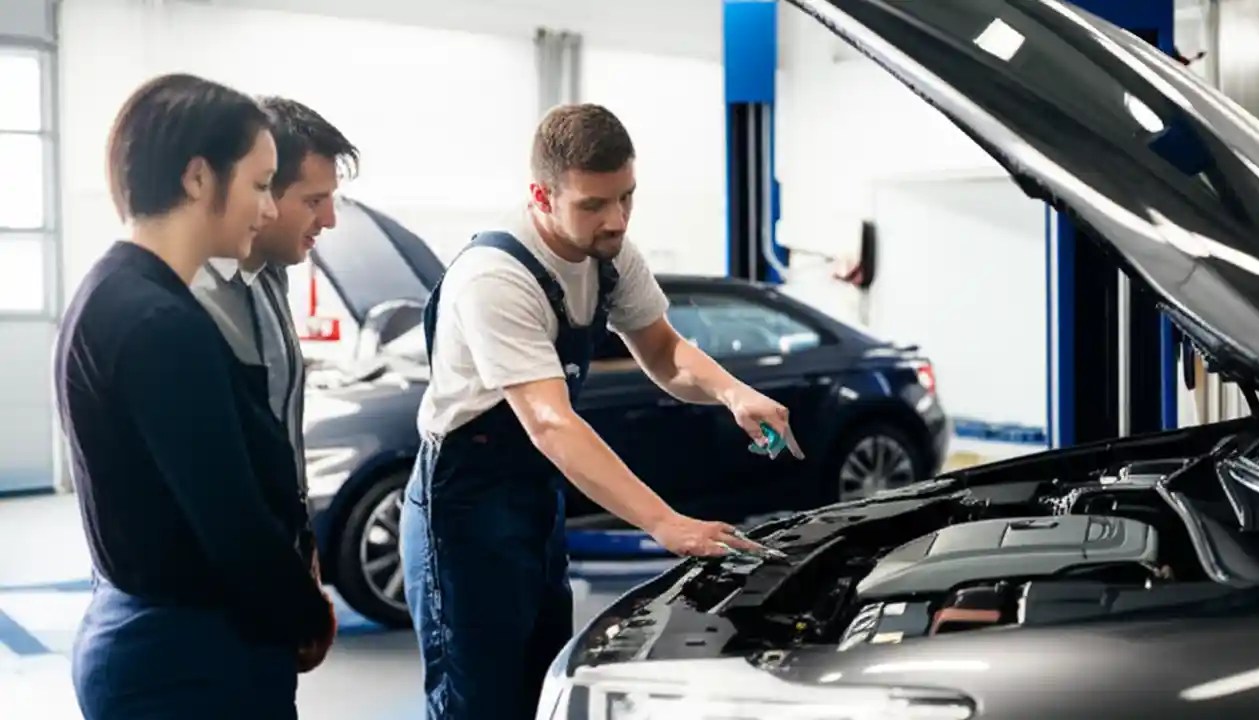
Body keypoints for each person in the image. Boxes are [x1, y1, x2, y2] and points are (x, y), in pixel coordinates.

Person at [399, 103, 797, 719]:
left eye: (627, 197)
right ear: (541, 194)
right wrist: (665, 522)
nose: (616, 220)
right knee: (476, 702)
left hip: (531, 498)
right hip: (461, 507)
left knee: (542, 687)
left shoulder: (611, 253)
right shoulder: (496, 277)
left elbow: (664, 353)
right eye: (593, 204)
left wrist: (731, 392)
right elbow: (550, 423)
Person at [53, 73, 335, 719]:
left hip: (169, 641)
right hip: (187, 660)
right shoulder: (159, 324)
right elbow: (227, 515)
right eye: (262, 186)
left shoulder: (117, 291)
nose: (269, 210)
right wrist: (306, 613)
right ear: (199, 179)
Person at [189, 96, 359, 612]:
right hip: (215, 596)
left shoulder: (269, 279)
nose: (329, 219)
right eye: (313, 200)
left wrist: (300, 547)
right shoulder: (187, 304)